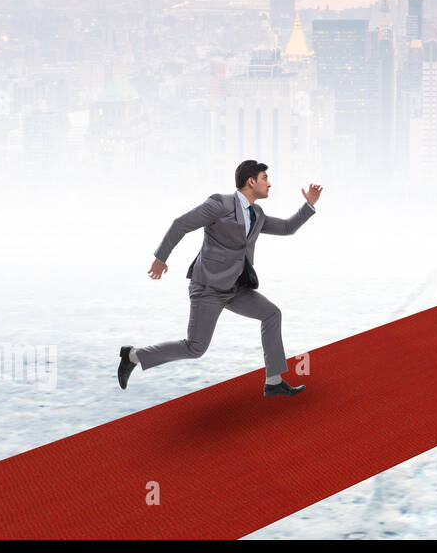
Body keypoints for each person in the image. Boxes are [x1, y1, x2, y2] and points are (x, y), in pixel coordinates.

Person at [118, 160, 323, 397]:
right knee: (195, 348)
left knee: (271, 313)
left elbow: (287, 227)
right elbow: (181, 224)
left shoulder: (257, 214)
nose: (269, 184)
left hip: (235, 288)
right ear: (251, 181)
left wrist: (309, 205)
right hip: (208, 288)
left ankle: (274, 381)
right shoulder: (219, 204)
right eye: (265, 178)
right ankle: (132, 355)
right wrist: (161, 258)